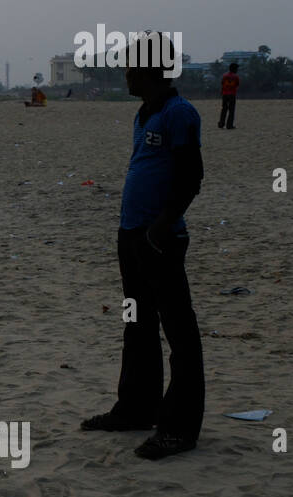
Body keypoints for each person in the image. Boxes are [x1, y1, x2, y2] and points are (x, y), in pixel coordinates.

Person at [81, 32, 205, 460]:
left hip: (160, 239)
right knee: (137, 323)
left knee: (179, 331)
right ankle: (136, 408)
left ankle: (179, 429)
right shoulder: (143, 113)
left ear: (153, 70)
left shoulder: (180, 114)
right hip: (131, 235)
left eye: (132, 66)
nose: (126, 73)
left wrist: (162, 225)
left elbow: (192, 176)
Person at [218, 62, 240, 130]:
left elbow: (222, 84)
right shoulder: (236, 77)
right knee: (231, 110)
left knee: (224, 109)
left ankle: (221, 124)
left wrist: (222, 91)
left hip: (225, 94)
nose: (237, 70)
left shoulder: (224, 76)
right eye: (236, 69)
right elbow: (237, 85)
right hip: (232, 95)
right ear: (234, 69)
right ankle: (229, 125)